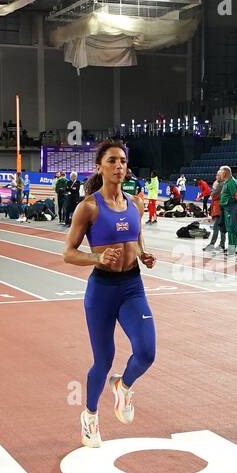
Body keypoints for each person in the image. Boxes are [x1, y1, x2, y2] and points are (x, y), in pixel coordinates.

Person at [62, 140, 157, 449]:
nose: (120, 166)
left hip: (132, 286)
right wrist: (96, 258)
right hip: (102, 289)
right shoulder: (88, 206)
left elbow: (136, 232)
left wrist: (143, 253)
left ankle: (124, 385)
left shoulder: (136, 204)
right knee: (103, 360)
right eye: (113, 160)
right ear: (100, 167)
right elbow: (68, 253)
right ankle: (89, 415)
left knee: (146, 353)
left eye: (123, 161)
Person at [219, 166, 237, 256]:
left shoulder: (231, 182)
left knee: (232, 229)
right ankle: (230, 246)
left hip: (232, 208)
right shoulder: (227, 182)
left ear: (225, 173)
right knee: (229, 229)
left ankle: (233, 248)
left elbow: (235, 196)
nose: (220, 174)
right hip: (227, 209)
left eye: (221, 172)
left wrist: (226, 201)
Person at [205, 168, 226, 253]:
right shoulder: (222, 184)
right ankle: (221, 244)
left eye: (218, 175)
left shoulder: (220, 185)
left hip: (219, 208)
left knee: (216, 227)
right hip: (219, 208)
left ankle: (213, 244)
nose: (216, 176)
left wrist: (213, 189)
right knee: (221, 227)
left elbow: (213, 195)